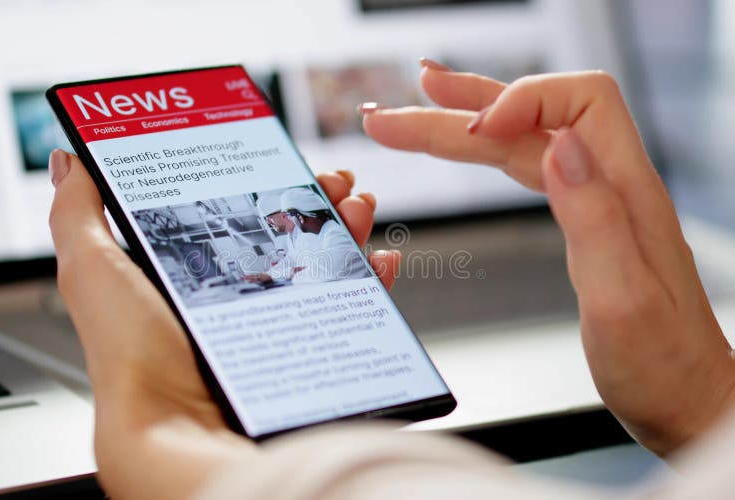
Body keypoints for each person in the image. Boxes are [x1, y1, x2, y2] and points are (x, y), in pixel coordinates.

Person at [47, 58, 735, 499]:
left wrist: (159, 421)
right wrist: (706, 402)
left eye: (283, 219)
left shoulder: (291, 243)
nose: (280, 222)